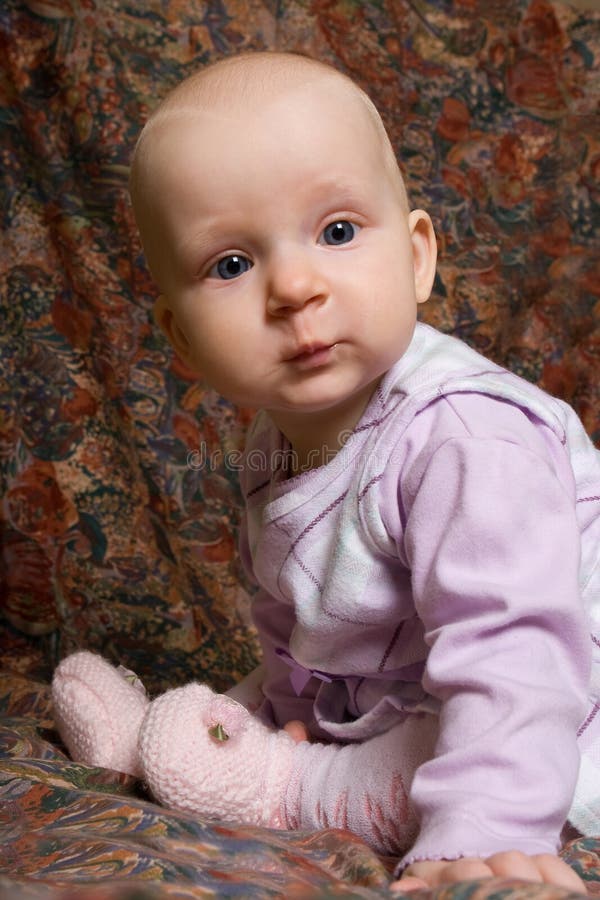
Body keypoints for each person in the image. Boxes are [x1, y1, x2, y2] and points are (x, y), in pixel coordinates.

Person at [51, 51, 600, 893]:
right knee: (290, 699)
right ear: (183, 338)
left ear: (416, 258)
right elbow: (296, 619)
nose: (295, 288)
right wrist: (289, 708)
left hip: (561, 697)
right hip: (408, 687)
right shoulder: (274, 439)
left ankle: (274, 782)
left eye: (337, 232)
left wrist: (486, 830)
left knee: (443, 752)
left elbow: (513, 647)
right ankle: (190, 738)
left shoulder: (464, 436)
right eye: (231, 265)